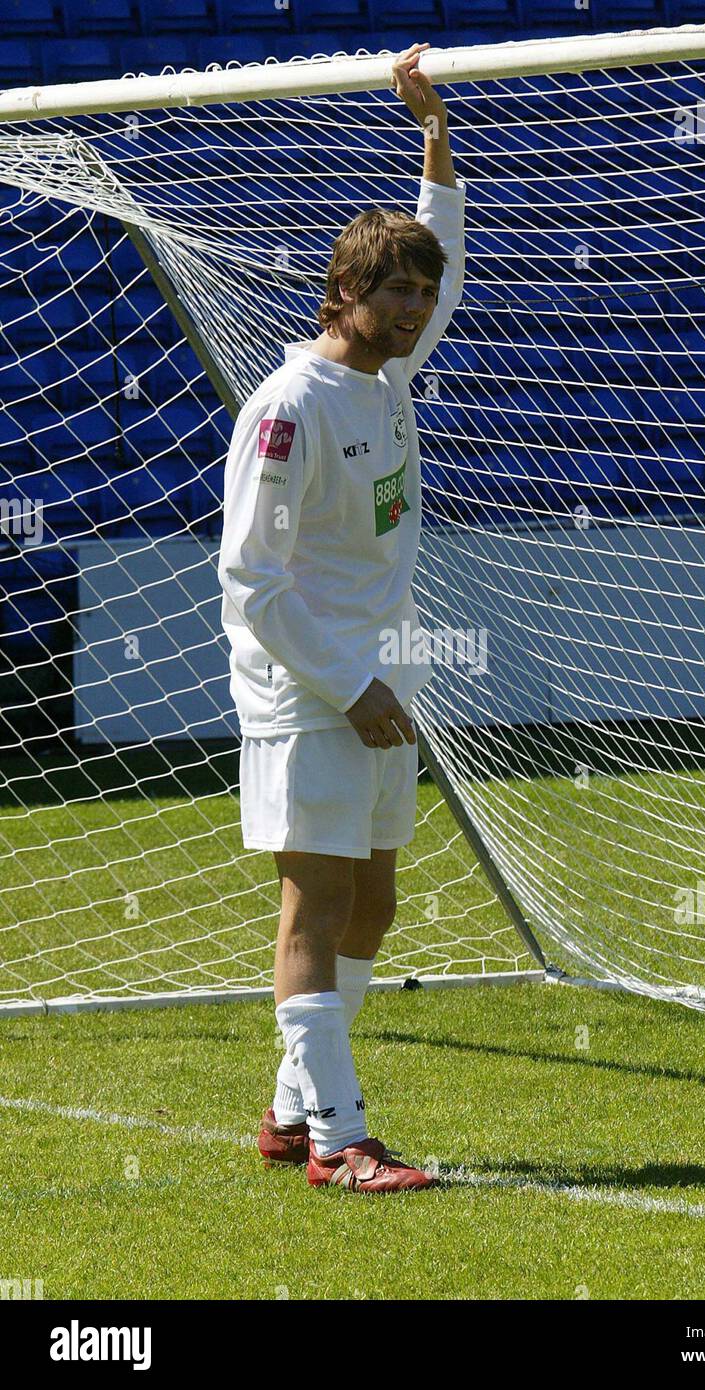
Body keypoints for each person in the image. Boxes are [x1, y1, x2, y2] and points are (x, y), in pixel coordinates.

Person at [218, 41, 465, 1192]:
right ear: (343, 295)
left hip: (382, 685)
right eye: (396, 290)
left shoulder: (387, 381)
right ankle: (338, 1141)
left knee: (376, 896)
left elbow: (447, 259)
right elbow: (251, 581)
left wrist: (432, 142)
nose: (417, 306)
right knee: (315, 900)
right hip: (311, 692)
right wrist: (349, 686)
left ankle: (284, 1109)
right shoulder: (286, 407)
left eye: (422, 291)